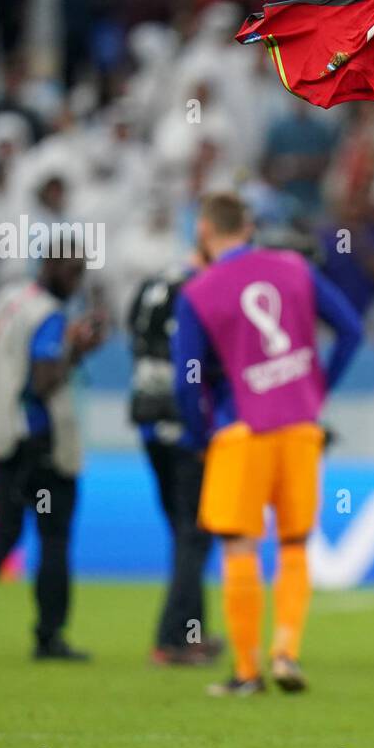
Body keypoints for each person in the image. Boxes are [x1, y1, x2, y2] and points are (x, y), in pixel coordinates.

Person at [173, 192, 362, 695]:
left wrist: (197, 434)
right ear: (251, 226)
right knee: (295, 543)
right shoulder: (294, 266)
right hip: (301, 426)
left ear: (204, 232)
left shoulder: (199, 291)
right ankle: (286, 651)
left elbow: (186, 381)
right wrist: (316, 387)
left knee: (239, 545)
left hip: (240, 430)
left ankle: (245, 671)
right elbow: (351, 329)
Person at [0, 251, 105, 660]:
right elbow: (45, 381)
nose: (76, 280)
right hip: (38, 440)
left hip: (0, 431)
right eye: (71, 270)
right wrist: (78, 352)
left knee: (6, 526)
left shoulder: (10, 299)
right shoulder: (50, 316)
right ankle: (49, 635)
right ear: (49, 267)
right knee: (53, 536)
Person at [128, 260, 220, 666]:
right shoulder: (204, 288)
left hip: (148, 421)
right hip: (184, 424)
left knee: (183, 531)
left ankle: (191, 632)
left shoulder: (154, 283)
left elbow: (135, 337)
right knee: (195, 533)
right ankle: (170, 641)